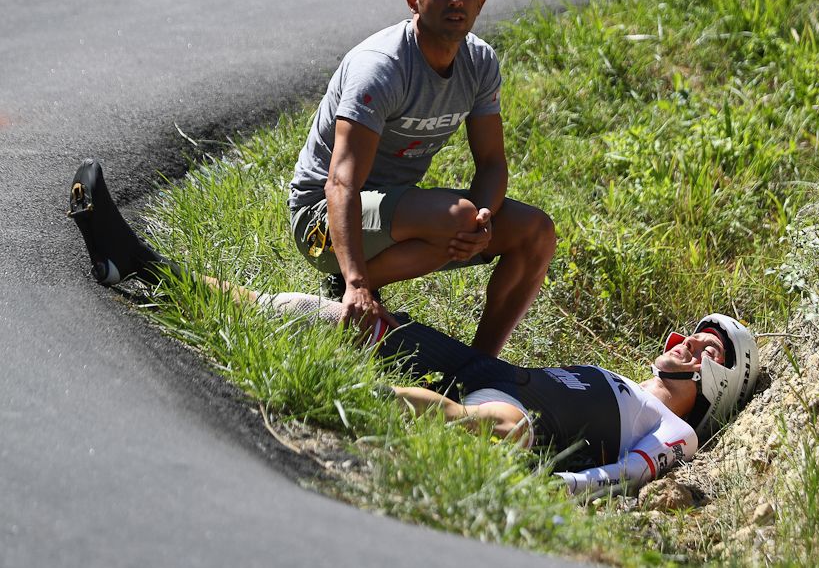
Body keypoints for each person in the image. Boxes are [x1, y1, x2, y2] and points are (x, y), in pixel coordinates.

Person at [68, 159, 760, 497]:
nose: (694, 339)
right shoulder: (630, 382)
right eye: (698, 329)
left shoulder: (681, 432)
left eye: (713, 344)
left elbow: (626, 473)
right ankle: (138, 263)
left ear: (720, 382)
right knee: (329, 317)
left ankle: (306, 402)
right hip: (488, 371)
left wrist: (567, 490)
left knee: (495, 426)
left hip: (520, 415)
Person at [288, 0, 556, 357]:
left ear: (480, 3)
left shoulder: (479, 63)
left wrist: (484, 217)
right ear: (414, 0)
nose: (456, 1)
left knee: (536, 233)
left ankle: (481, 366)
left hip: (395, 216)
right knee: (459, 217)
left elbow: (491, 163)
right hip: (322, 223)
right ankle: (349, 283)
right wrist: (357, 283)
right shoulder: (380, 67)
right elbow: (340, 184)